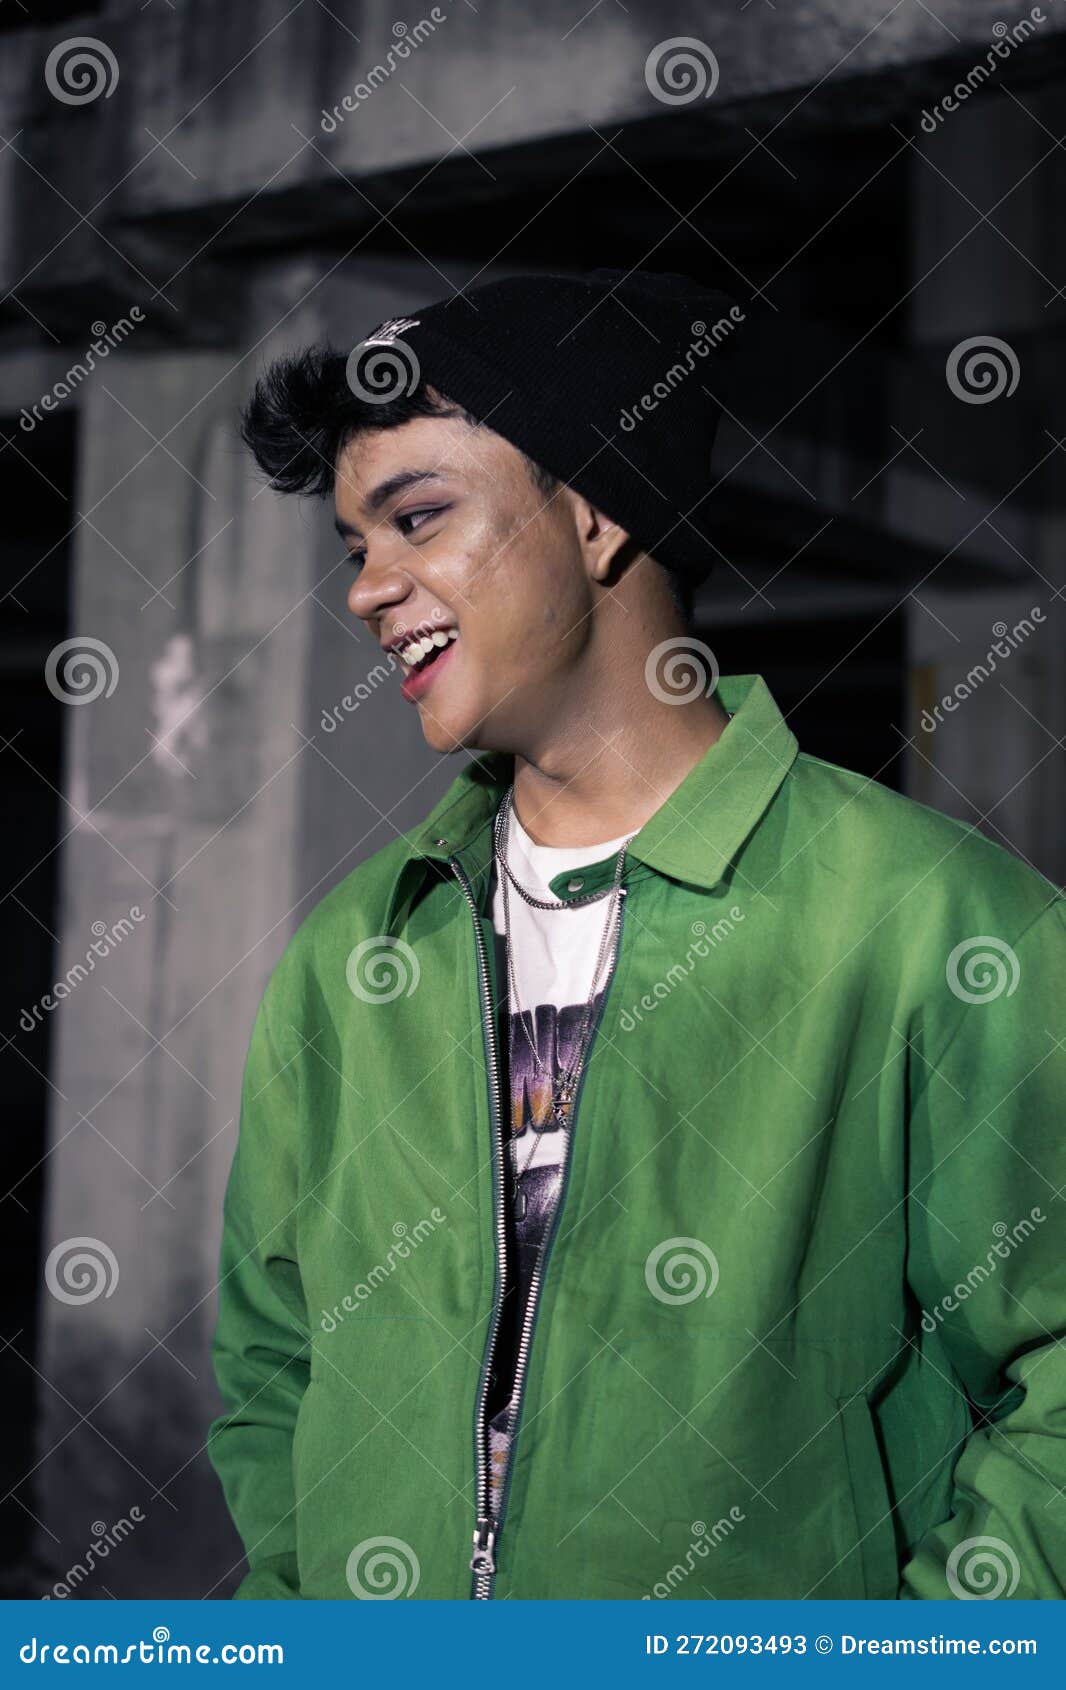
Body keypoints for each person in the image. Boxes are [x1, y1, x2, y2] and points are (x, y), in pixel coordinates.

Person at [207, 268, 1066, 1601]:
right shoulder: (356, 957)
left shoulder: (928, 922)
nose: (370, 588)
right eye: (355, 546)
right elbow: (273, 1369)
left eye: (416, 517)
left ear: (596, 514)